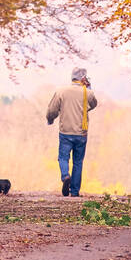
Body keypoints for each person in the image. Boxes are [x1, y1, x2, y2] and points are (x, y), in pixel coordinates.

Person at [46, 67, 97, 197]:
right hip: (81, 133)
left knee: (63, 157)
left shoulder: (61, 92)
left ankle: (65, 176)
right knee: (78, 162)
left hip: (65, 132)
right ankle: (74, 192)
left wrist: (50, 119)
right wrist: (89, 87)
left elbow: (52, 110)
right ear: (84, 78)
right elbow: (93, 104)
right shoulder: (88, 93)